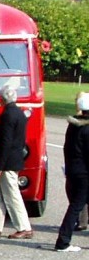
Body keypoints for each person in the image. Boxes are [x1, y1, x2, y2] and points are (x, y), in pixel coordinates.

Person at [0, 84, 34, 239]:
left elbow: (5, 141)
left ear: (2, 100)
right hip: (15, 158)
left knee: (12, 195)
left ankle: (24, 227)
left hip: (8, 161)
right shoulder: (19, 113)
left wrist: (0, 165)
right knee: (0, 194)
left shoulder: (7, 116)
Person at [54, 92, 89, 251]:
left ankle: (64, 240)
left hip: (73, 171)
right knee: (76, 207)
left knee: (76, 206)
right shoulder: (86, 129)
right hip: (84, 174)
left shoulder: (73, 126)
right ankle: (63, 241)